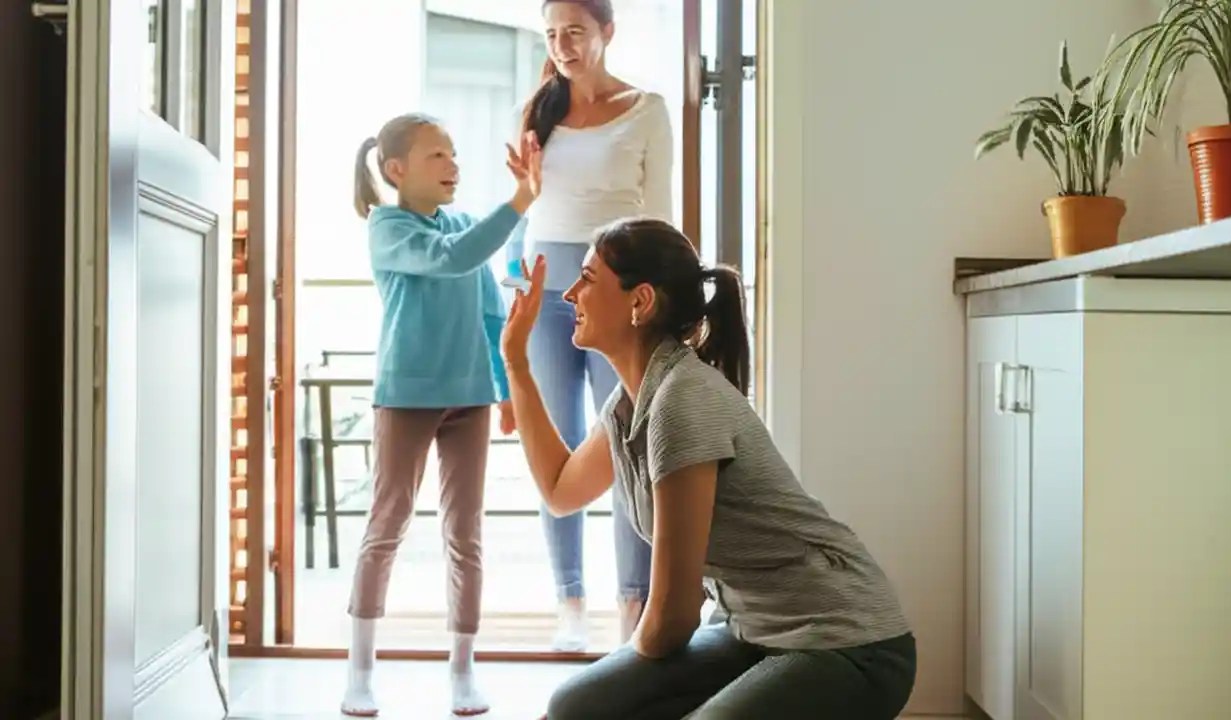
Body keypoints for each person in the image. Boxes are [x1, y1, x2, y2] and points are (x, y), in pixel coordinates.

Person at [499, 219, 917, 719]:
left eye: (587, 278)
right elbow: (561, 490)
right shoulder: (630, 403)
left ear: (640, 301)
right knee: (574, 707)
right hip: (752, 631)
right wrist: (516, 363)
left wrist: (633, 677)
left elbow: (673, 618)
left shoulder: (683, 401)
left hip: (847, 641)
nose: (569, 294)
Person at [340, 112, 541, 718]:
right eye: (438, 156)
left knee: (465, 534)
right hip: (406, 396)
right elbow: (452, 258)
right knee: (388, 522)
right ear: (397, 169)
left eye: (454, 154)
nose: (453, 165)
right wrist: (520, 201)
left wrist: (505, 389)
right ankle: (360, 671)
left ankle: (462, 671)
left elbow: (487, 313)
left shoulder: (462, 223)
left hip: (470, 396)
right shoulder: (387, 226)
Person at [511, 0, 673, 652]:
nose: (562, 45)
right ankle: (568, 598)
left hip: (614, 297)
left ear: (607, 32)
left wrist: (658, 305)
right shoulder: (538, 113)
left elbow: (660, 216)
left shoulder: (647, 110)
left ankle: (633, 607)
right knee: (558, 443)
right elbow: (525, 206)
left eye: (574, 32)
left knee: (627, 448)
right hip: (544, 290)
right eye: (551, 34)